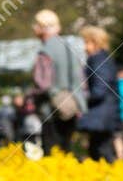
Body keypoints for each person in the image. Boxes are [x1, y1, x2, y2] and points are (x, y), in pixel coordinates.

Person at [31, 9, 85, 153]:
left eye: (36, 25)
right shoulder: (69, 47)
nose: (34, 29)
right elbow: (81, 78)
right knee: (66, 150)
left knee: (52, 152)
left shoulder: (45, 51)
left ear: (42, 28)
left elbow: (42, 83)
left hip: (51, 108)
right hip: (72, 106)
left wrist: (30, 95)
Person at [76, 26, 120, 162]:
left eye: (86, 43)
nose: (84, 47)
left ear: (95, 42)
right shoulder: (102, 59)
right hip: (103, 115)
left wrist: (82, 100)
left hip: (101, 115)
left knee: (101, 153)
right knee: (98, 151)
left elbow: (100, 89)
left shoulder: (98, 60)